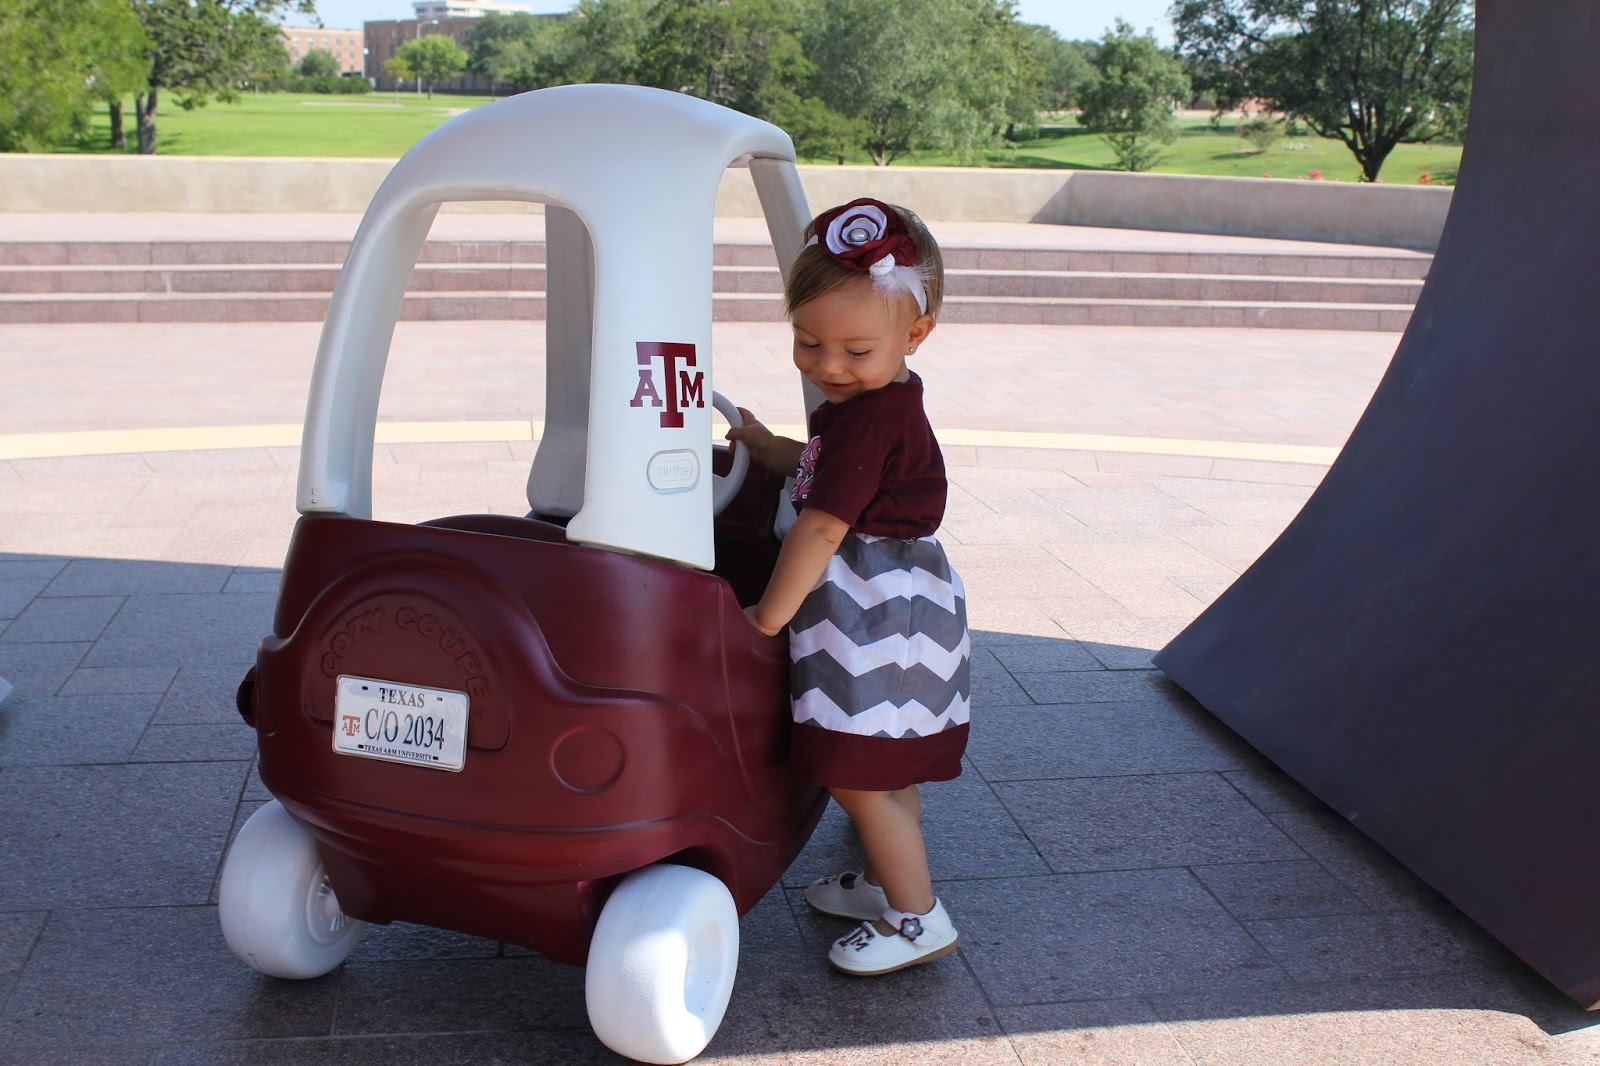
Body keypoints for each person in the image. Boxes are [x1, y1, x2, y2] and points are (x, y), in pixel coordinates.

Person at [727, 198, 971, 976]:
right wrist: (776, 451)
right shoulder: (874, 404)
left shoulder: (866, 421)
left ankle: (915, 917)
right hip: (897, 607)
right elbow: (834, 475)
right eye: (808, 342)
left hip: (869, 614)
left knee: (856, 772)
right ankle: (883, 883)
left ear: (916, 334)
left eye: (854, 349)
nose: (829, 366)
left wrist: (767, 614)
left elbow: (824, 526)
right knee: (883, 763)